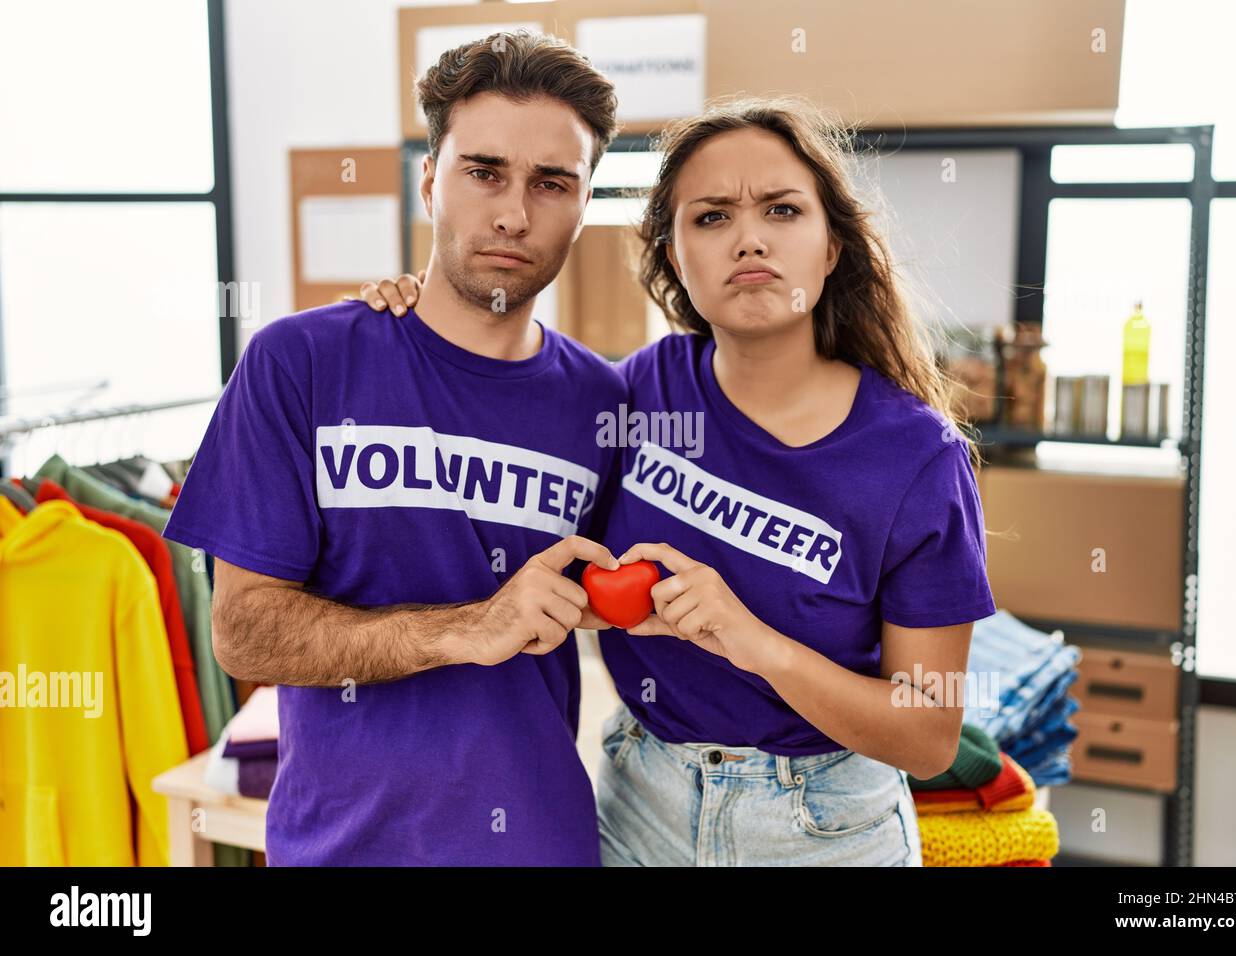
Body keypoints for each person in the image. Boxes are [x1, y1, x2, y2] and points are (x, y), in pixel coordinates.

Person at [362, 96, 998, 866]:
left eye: (783, 210)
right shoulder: (632, 393)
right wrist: (404, 316)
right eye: (712, 217)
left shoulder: (915, 456)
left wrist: (752, 643)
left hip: (821, 830)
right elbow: (490, 410)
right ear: (672, 257)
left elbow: (928, 736)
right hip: (640, 804)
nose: (750, 239)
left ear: (832, 247)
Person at [164, 31, 627, 866]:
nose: (514, 213)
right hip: (341, 847)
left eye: (551, 183)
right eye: (483, 171)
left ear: (585, 204)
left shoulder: (607, 403)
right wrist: (470, 628)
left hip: (542, 842)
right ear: (428, 180)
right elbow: (244, 633)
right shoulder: (300, 363)